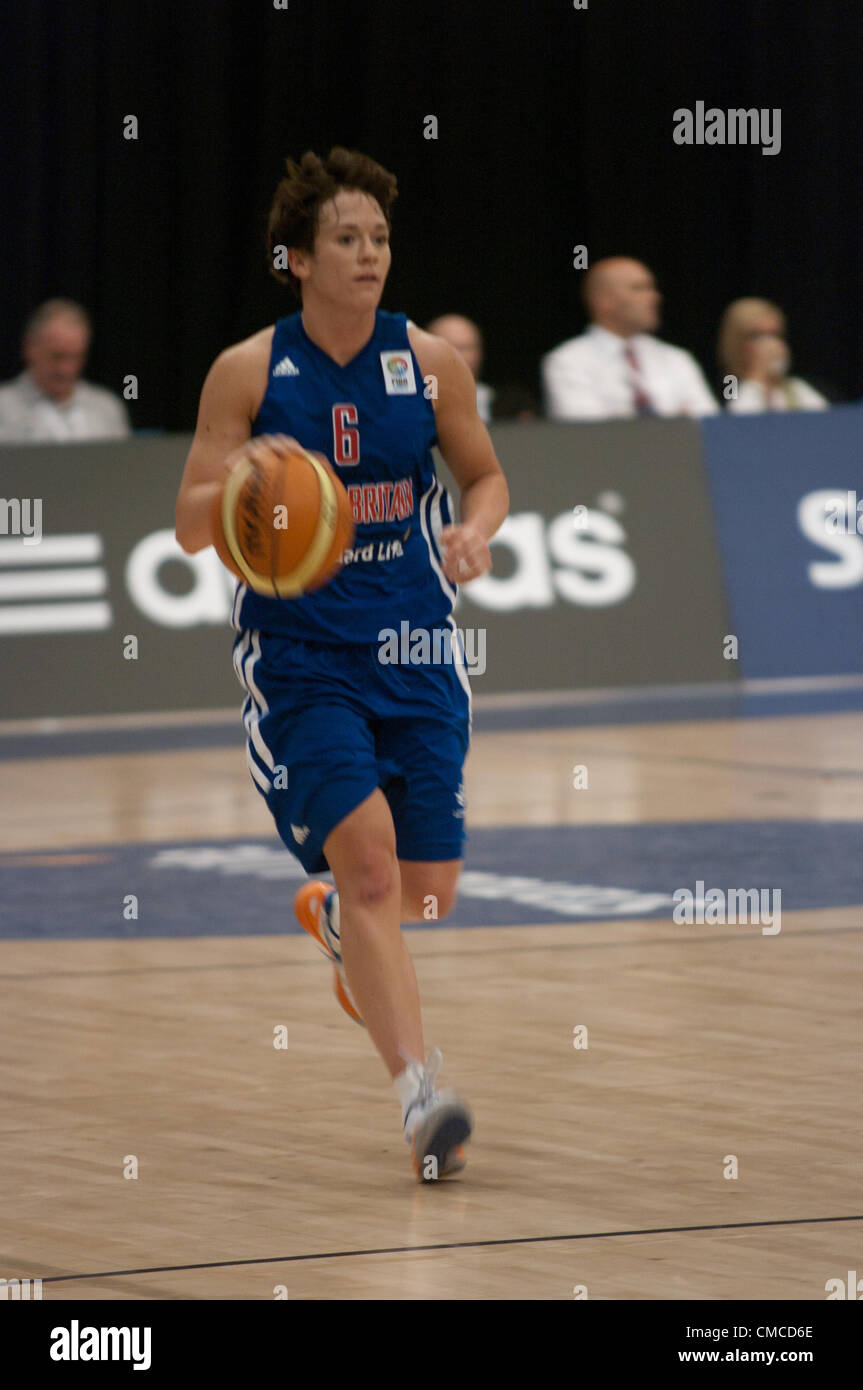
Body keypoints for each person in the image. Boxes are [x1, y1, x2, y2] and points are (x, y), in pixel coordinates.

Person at [174, 148, 509, 1181]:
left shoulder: (430, 361)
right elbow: (189, 524)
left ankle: (333, 921)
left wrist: (476, 533)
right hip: (305, 655)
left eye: (378, 240)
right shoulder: (247, 371)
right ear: (298, 259)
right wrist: (239, 485)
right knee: (365, 859)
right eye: (347, 241)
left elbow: (486, 475)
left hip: (415, 651)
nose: (368, 257)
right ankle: (419, 1095)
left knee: (425, 889)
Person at [541, 258, 719, 420]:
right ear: (604, 300)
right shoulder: (568, 362)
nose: (654, 297)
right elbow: (587, 433)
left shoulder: (676, 359)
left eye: (652, 288)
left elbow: (708, 424)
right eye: (639, 288)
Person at [0, 299, 131, 443]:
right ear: (30, 348)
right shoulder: (4, 407)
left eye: (75, 357)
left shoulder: (106, 407)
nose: (65, 369)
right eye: (57, 356)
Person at [717, 298, 828, 412]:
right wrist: (756, 378)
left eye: (775, 335)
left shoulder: (796, 387)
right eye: (758, 336)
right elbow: (735, 423)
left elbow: (826, 420)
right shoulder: (729, 383)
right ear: (737, 342)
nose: (771, 345)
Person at [425, 314, 496, 423]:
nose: (461, 357)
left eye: (467, 348)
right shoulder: (413, 409)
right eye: (450, 348)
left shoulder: (513, 406)